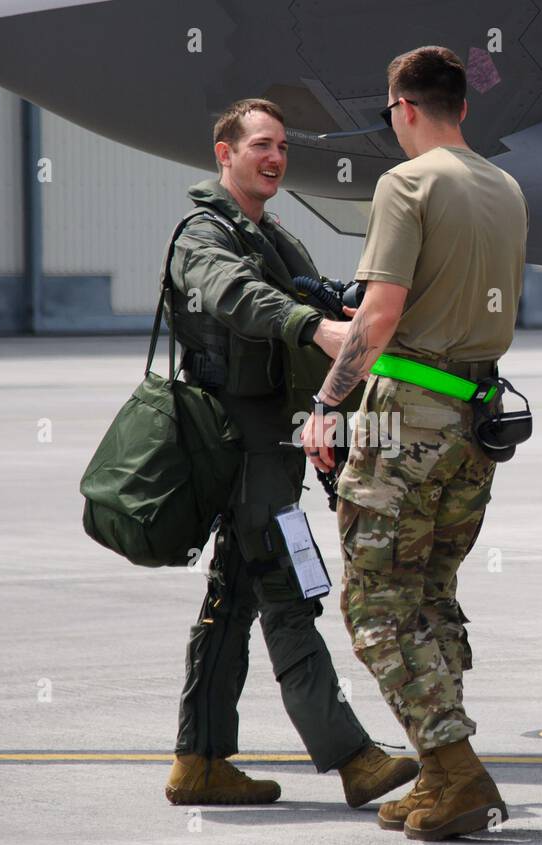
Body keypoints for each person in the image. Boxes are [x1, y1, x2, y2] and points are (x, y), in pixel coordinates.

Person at [163, 98, 419, 808]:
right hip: (240, 446)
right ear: (225, 153)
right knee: (285, 588)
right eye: (260, 147)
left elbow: (316, 310)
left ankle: (200, 761)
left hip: (274, 440)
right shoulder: (205, 236)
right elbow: (233, 296)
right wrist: (314, 327)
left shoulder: (272, 235)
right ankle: (352, 759)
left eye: (281, 149)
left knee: (235, 592)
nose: (275, 159)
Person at [299, 49, 529, 839]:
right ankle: (439, 776)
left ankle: (456, 773)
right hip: (477, 415)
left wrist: (328, 405)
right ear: (460, 106)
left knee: (375, 602)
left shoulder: (408, 183)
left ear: (403, 107)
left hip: (410, 420)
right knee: (429, 593)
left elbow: (381, 315)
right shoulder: (505, 185)